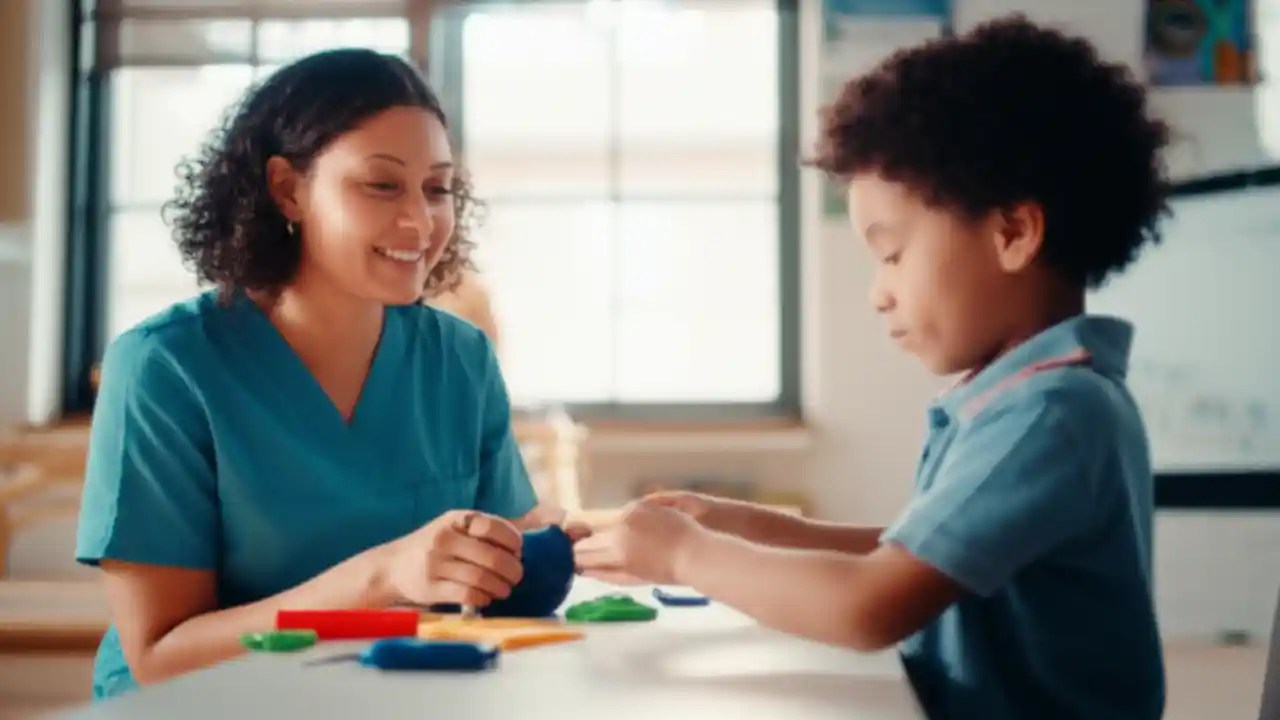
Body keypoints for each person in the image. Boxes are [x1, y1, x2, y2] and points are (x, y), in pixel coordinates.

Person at [574, 16, 1169, 720]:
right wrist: (751, 530)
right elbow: (916, 559)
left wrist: (685, 556)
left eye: (892, 253)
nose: (878, 290)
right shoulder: (1031, 395)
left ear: (1012, 232)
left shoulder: (1049, 412)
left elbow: (869, 606)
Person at [75, 48, 559, 699]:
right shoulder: (165, 368)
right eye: (382, 185)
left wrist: (589, 541)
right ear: (287, 190)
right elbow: (160, 655)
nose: (420, 220)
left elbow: (511, 571)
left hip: (396, 702)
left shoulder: (461, 360)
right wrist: (384, 575)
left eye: (437, 188)